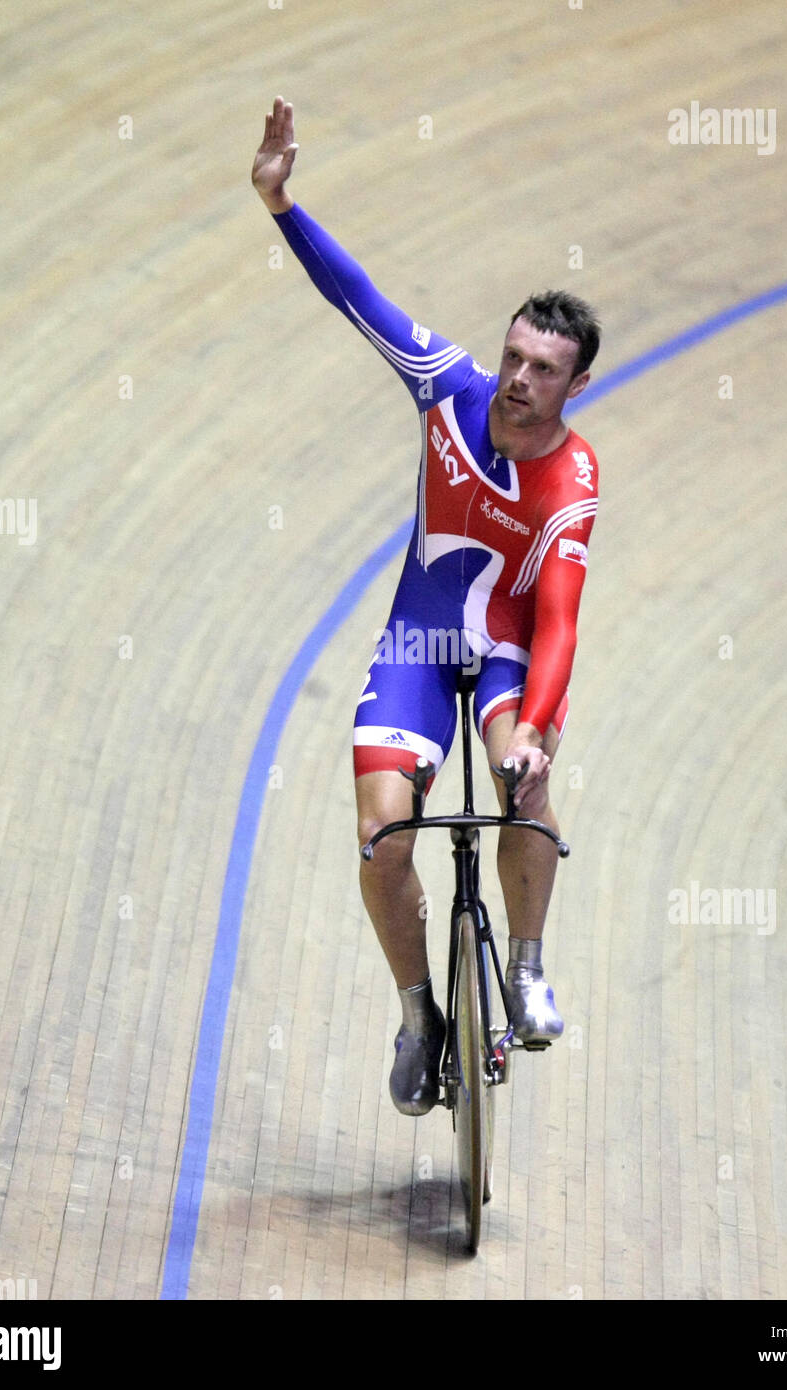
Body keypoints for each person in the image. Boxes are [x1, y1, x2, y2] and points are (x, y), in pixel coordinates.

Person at [252, 97, 600, 1116]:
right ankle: (418, 1011)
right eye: (515, 358)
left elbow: (563, 622)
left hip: (508, 652)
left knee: (521, 781)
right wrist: (281, 203)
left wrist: (531, 732)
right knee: (382, 835)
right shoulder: (446, 384)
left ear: (576, 383)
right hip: (417, 632)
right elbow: (356, 294)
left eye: (544, 370)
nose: (518, 381)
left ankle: (527, 964)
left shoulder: (572, 482)